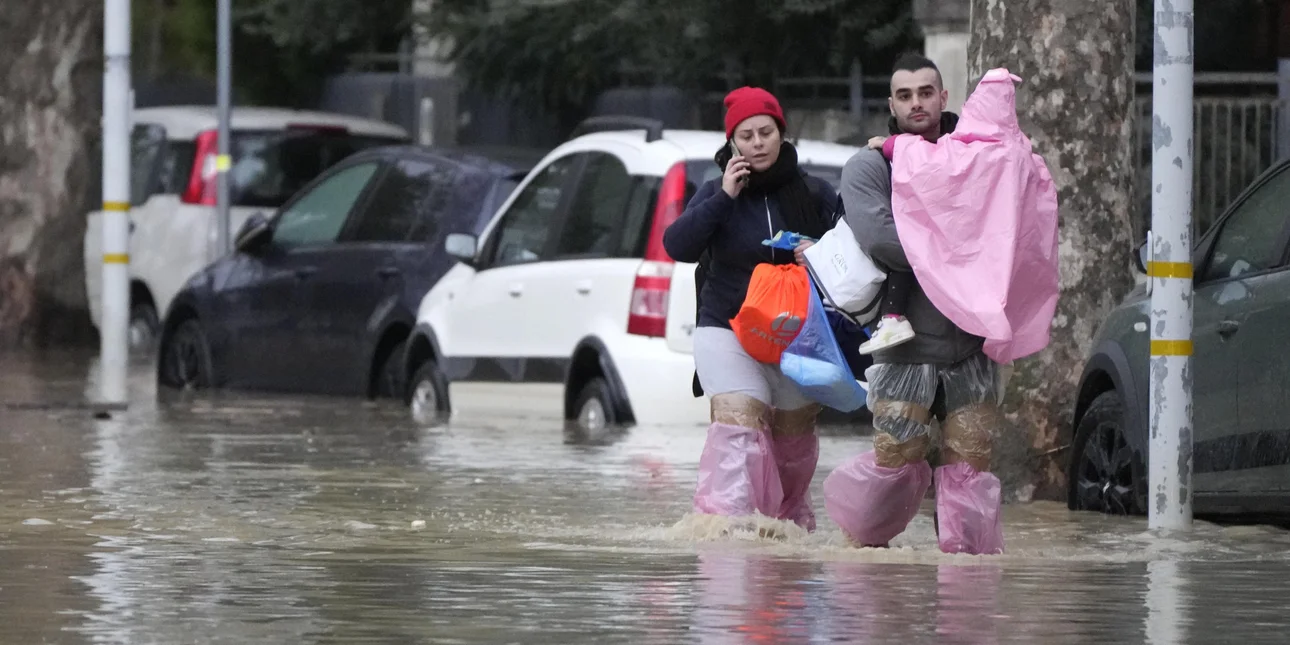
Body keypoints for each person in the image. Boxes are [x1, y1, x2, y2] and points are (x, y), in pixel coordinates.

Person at [823, 54, 1006, 555]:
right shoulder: (868, 166)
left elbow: (1007, 222)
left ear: (943, 97)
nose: (916, 103)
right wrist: (961, 252)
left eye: (926, 92)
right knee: (895, 466)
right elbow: (880, 238)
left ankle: (968, 587)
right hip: (903, 346)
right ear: (891, 104)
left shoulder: (975, 158)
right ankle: (860, 567)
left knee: (971, 469)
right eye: (904, 95)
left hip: (973, 344)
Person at [663, 86, 841, 532]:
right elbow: (677, 246)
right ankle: (724, 533)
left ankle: (784, 536)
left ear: (782, 133)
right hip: (726, 328)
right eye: (746, 136)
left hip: (798, 335)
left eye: (766, 132)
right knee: (738, 430)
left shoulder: (816, 193)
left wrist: (820, 253)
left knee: (792, 450)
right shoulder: (715, 192)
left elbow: (852, 261)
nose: (758, 143)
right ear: (732, 143)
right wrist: (724, 196)